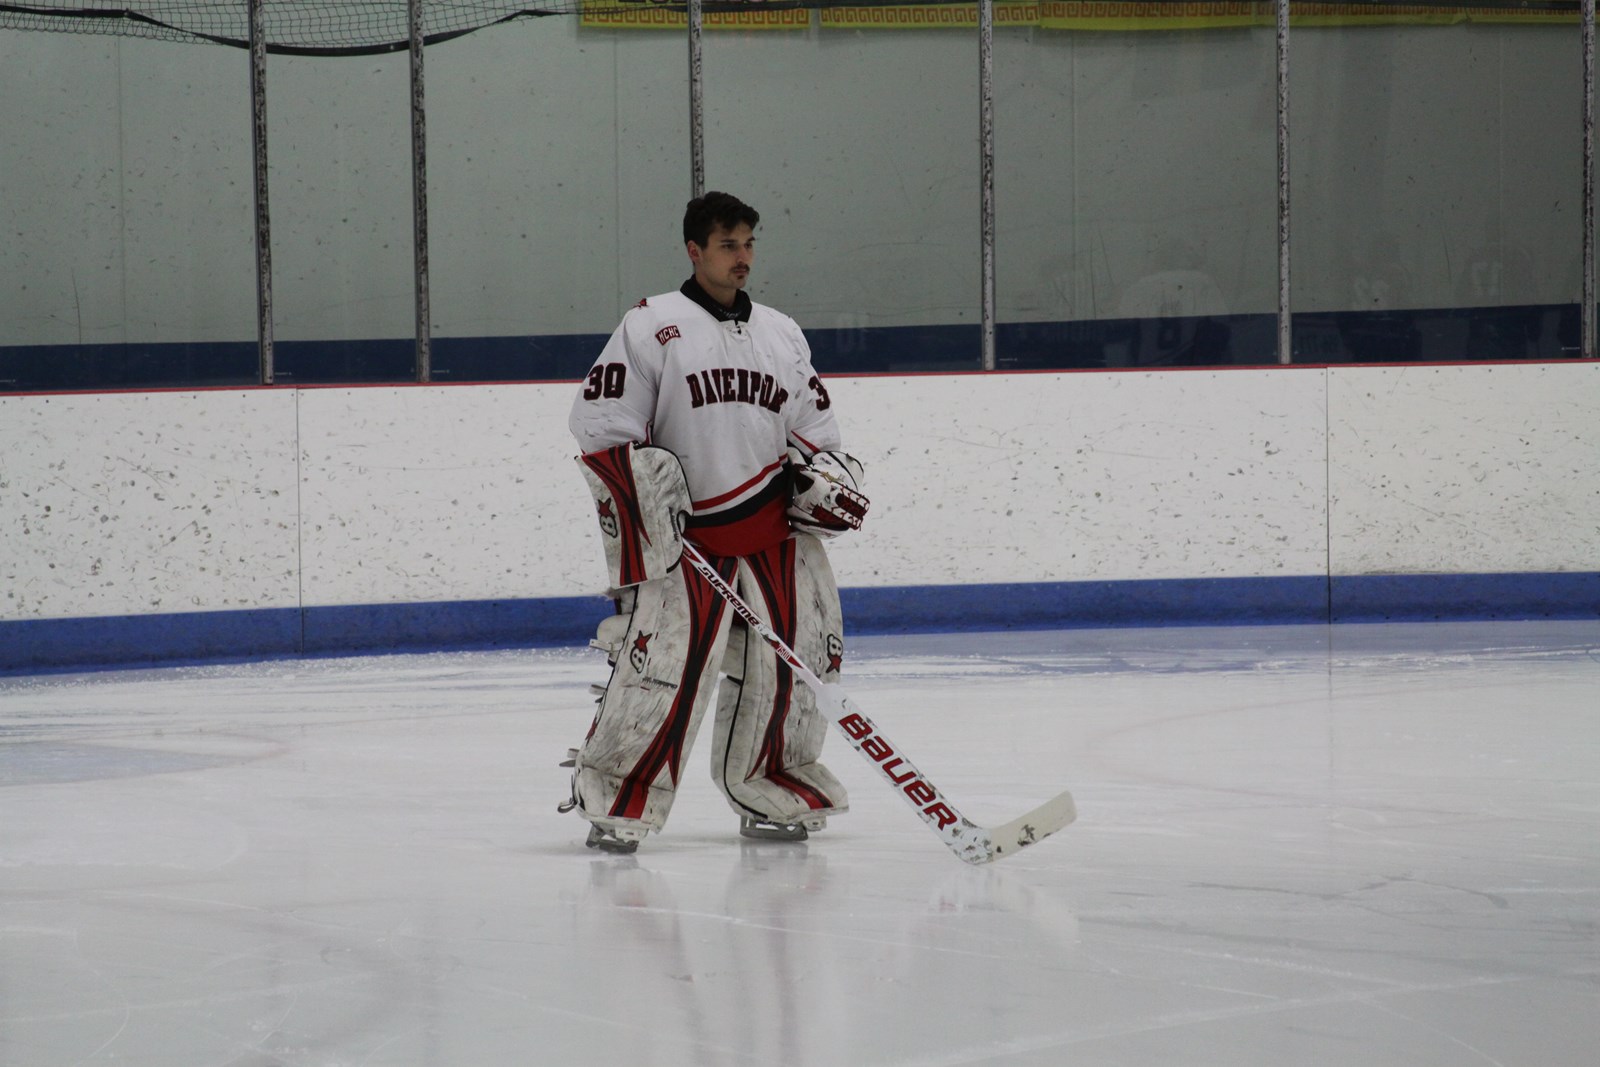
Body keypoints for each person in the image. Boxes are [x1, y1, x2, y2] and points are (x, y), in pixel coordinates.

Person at [561, 191, 869, 854]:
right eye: (728, 244)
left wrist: (825, 477)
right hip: (687, 541)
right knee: (662, 671)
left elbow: (815, 429)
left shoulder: (781, 332)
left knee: (796, 667)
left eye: (750, 243)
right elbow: (600, 425)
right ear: (694, 250)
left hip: (774, 534)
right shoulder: (651, 326)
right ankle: (619, 794)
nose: (742, 257)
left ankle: (773, 781)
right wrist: (646, 495)